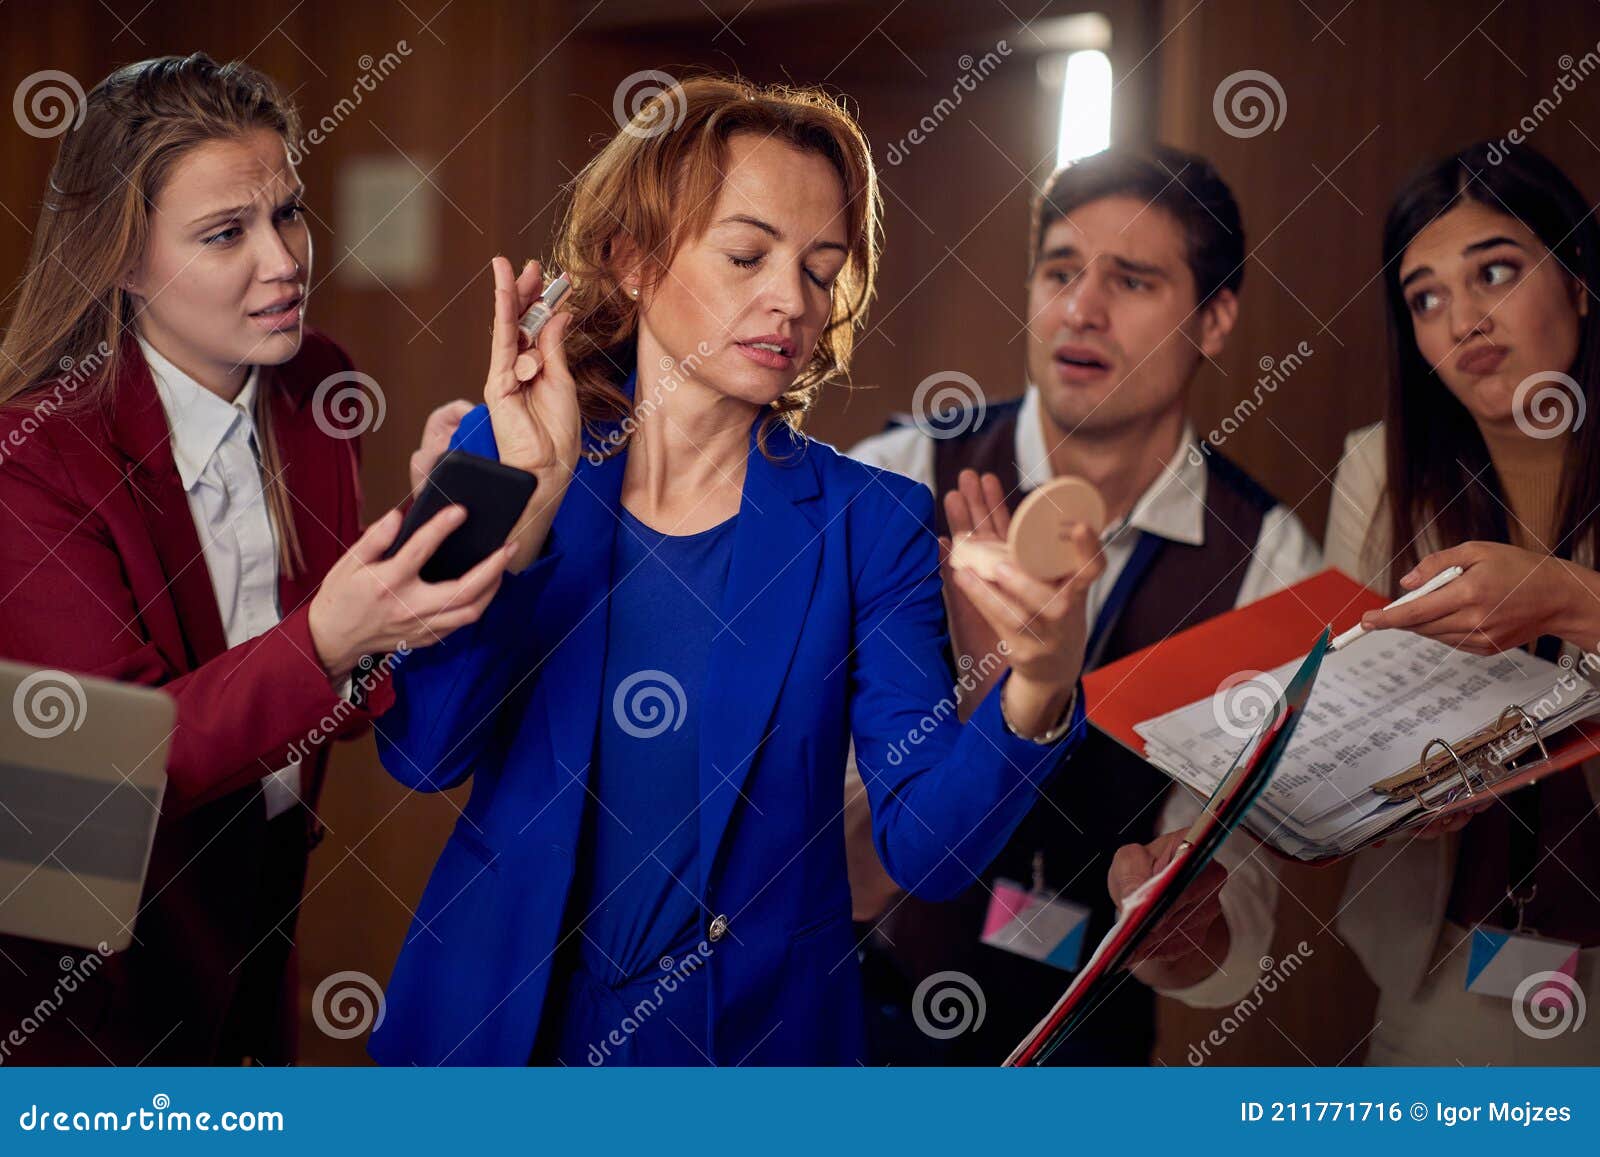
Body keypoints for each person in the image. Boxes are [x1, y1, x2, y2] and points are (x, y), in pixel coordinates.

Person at [367, 75, 1105, 1067]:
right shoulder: (493, 447)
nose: (790, 300)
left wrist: (1039, 683)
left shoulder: (870, 523)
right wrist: (527, 517)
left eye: (820, 267)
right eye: (747, 254)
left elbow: (926, 852)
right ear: (630, 259)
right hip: (494, 1039)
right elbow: (420, 753)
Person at [0, 53, 501, 1064]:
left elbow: (341, 680)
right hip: (83, 979)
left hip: (256, 928)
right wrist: (332, 636)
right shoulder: (33, 455)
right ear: (121, 259)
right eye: (226, 233)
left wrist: (480, 480)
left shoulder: (318, 382)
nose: (283, 261)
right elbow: (116, 765)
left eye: (290, 213)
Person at [1114, 141, 1600, 1064]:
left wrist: (1566, 598)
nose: (1463, 319)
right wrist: (1204, 880)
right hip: (1452, 966)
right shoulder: (1385, 471)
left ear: (1579, 279)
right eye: (1425, 297)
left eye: (1494, 271)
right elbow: (1340, 709)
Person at [845, 147, 1322, 1064]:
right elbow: (806, 833)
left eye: (1132, 280)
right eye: (1060, 271)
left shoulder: (1271, 559)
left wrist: (1184, 918)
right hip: (855, 1019)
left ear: (1215, 320)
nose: (1080, 308)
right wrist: (985, 690)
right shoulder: (895, 477)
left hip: (1088, 1052)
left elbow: (1244, 892)